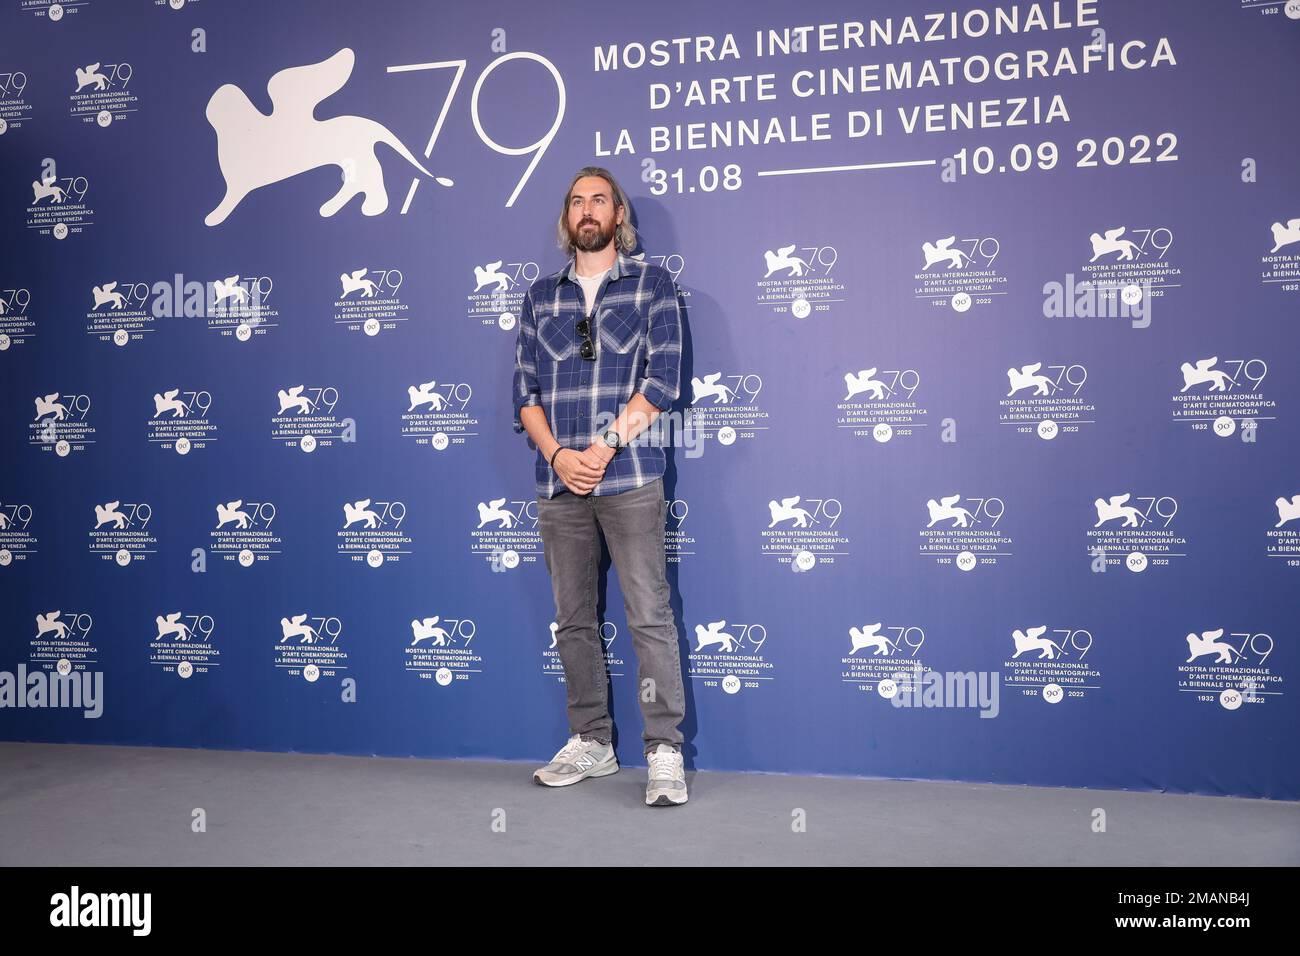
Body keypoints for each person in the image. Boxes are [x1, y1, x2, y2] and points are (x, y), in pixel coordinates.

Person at [511, 166, 688, 806]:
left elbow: (662, 383)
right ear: (568, 217)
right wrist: (560, 455)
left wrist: (602, 447)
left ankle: (664, 751)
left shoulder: (652, 286)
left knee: (649, 615)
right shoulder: (539, 297)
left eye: (600, 200)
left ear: (618, 216)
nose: (588, 210)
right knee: (573, 620)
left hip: (631, 476)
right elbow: (524, 395)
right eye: (577, 201)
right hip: (560, 484)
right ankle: (592, 741)